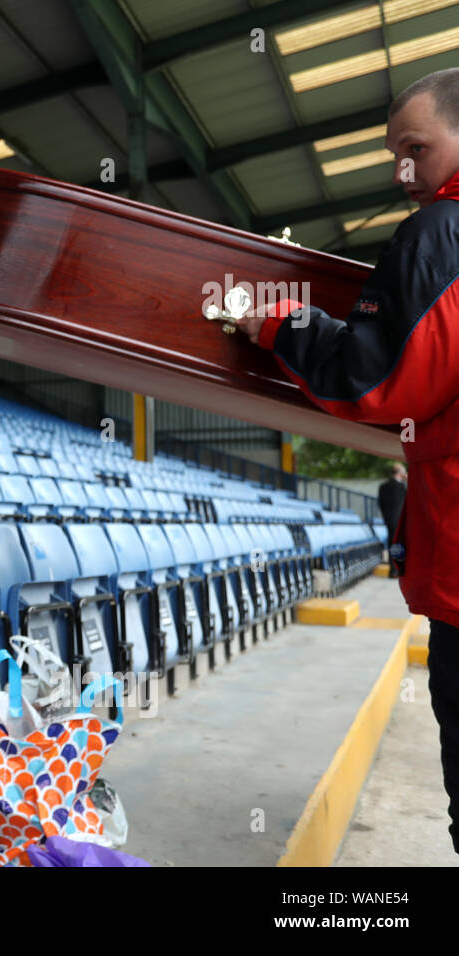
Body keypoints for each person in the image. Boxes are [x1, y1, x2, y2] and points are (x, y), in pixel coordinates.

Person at [237, 68, 459, 854]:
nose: (404, 172)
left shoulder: (442, 230)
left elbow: (381, 380)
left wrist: (284, 325)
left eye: (416, 148)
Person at [378, 463, 407, 576]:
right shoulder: (402, 487)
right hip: (400, 521)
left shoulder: (383, 486)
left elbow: (381, 504)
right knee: (400, 544)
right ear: (400, 473)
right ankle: (399, 568)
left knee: (392, 544)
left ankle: (393, 570)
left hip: (389, 520)